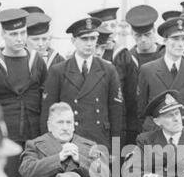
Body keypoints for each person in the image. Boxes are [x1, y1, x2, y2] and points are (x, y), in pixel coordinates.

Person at [0, 8, 48, 177]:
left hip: (33, 137)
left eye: (22, 33)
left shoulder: (37, 62)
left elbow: (45, 98)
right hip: (5, 137)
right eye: (13, 34)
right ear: (3, 35)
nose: (20, 38)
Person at [40, 18, 124, 148]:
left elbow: (116, 113)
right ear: (73, 41)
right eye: (84, 39)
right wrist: (49, 147)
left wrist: (115, 149)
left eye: (93, 39)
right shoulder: (58, 71)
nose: (89, 44)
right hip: (68, 140)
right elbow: (48, 113)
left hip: (99, 140)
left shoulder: (108, 70)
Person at [19, 100, 110, 177]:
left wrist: (80, 159)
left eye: (69, 123)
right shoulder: (34, 145)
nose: (65, 128)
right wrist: (58, 158)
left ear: (74, 126)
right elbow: (26, 172)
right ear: (49, 125)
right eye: (60, 122)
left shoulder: (91, 146)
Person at [112, 5, 165, 148]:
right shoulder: (126, 59)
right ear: (131, 34)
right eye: (138, 35)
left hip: (163, 125)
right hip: (134, 126)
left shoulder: (165, 56)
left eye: (147, 34)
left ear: (154, 32)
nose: (142, 40)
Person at [136, 17, 184, 125]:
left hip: (183, 133)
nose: (180, 44)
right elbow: (142, 111)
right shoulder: (148, 70)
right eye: (175, 39)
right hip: (156, 134)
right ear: (165, 40)